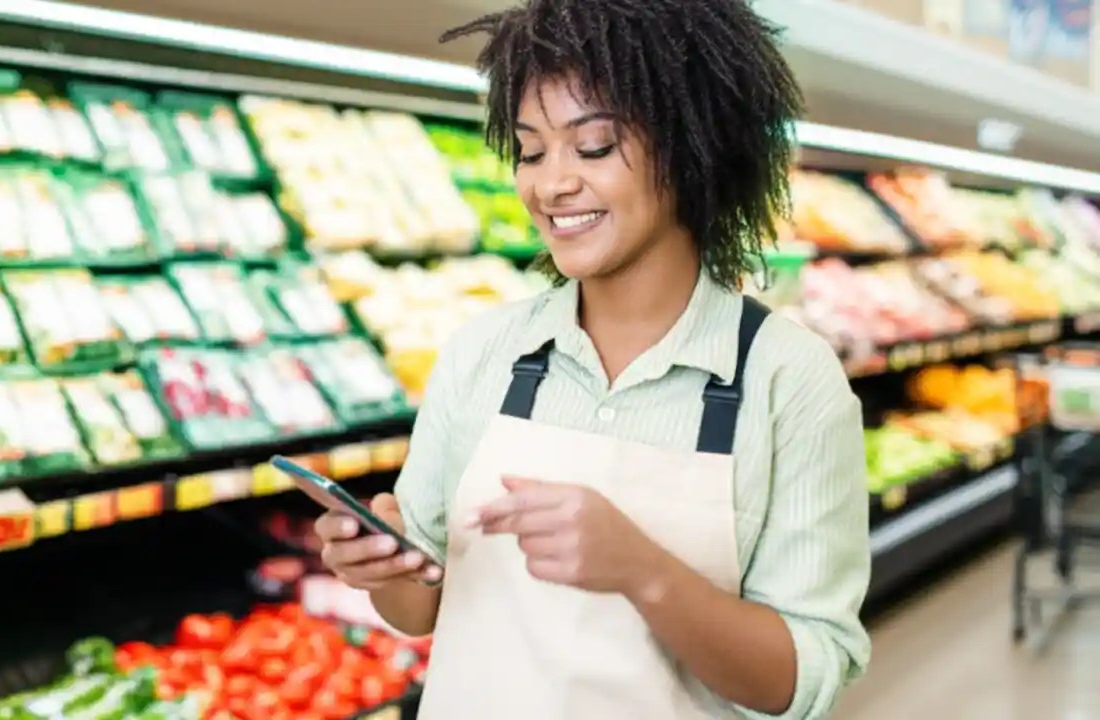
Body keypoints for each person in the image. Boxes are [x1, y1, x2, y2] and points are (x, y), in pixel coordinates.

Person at [314, 1, 871, 717]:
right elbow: (420, 611)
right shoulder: (483, 352)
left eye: (595, 146)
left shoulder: (788, 380)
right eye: (531, 150)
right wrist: (382, 568)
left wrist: (642, 571)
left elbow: (803, 680)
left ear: (692, 146)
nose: (550, 186)